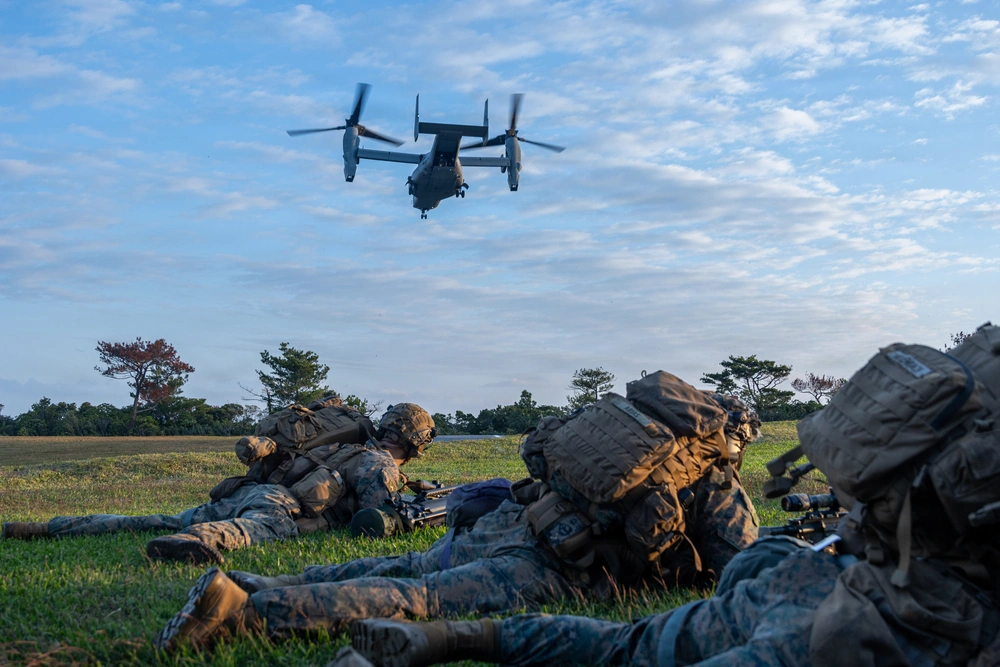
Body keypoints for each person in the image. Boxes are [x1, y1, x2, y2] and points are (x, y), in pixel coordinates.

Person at [341, 334, 1000, 667]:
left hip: (538, 528)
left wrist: (782, 553)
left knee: (624, 646)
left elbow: (744, 574)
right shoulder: (715, 481)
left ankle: (464, 637)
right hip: (902, 619)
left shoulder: (659, 445)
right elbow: (733, 559)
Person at [153, 377, 762, 653]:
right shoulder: (711, 476)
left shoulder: (629, 432)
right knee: (423, 599)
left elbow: (540, 450)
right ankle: (245, 612)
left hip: (515, 519)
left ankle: (265, 581)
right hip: (560, 563)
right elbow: (743, 569)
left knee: (409, 563)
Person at [2, 399, 436, 565]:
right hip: (276, 506)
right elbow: (380, 514)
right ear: (416, 443)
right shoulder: (379, 463)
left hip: (248, 489)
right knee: (254, 531)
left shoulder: (343, 446)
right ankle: (198, 539)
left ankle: (45, 527)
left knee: (155, 517)